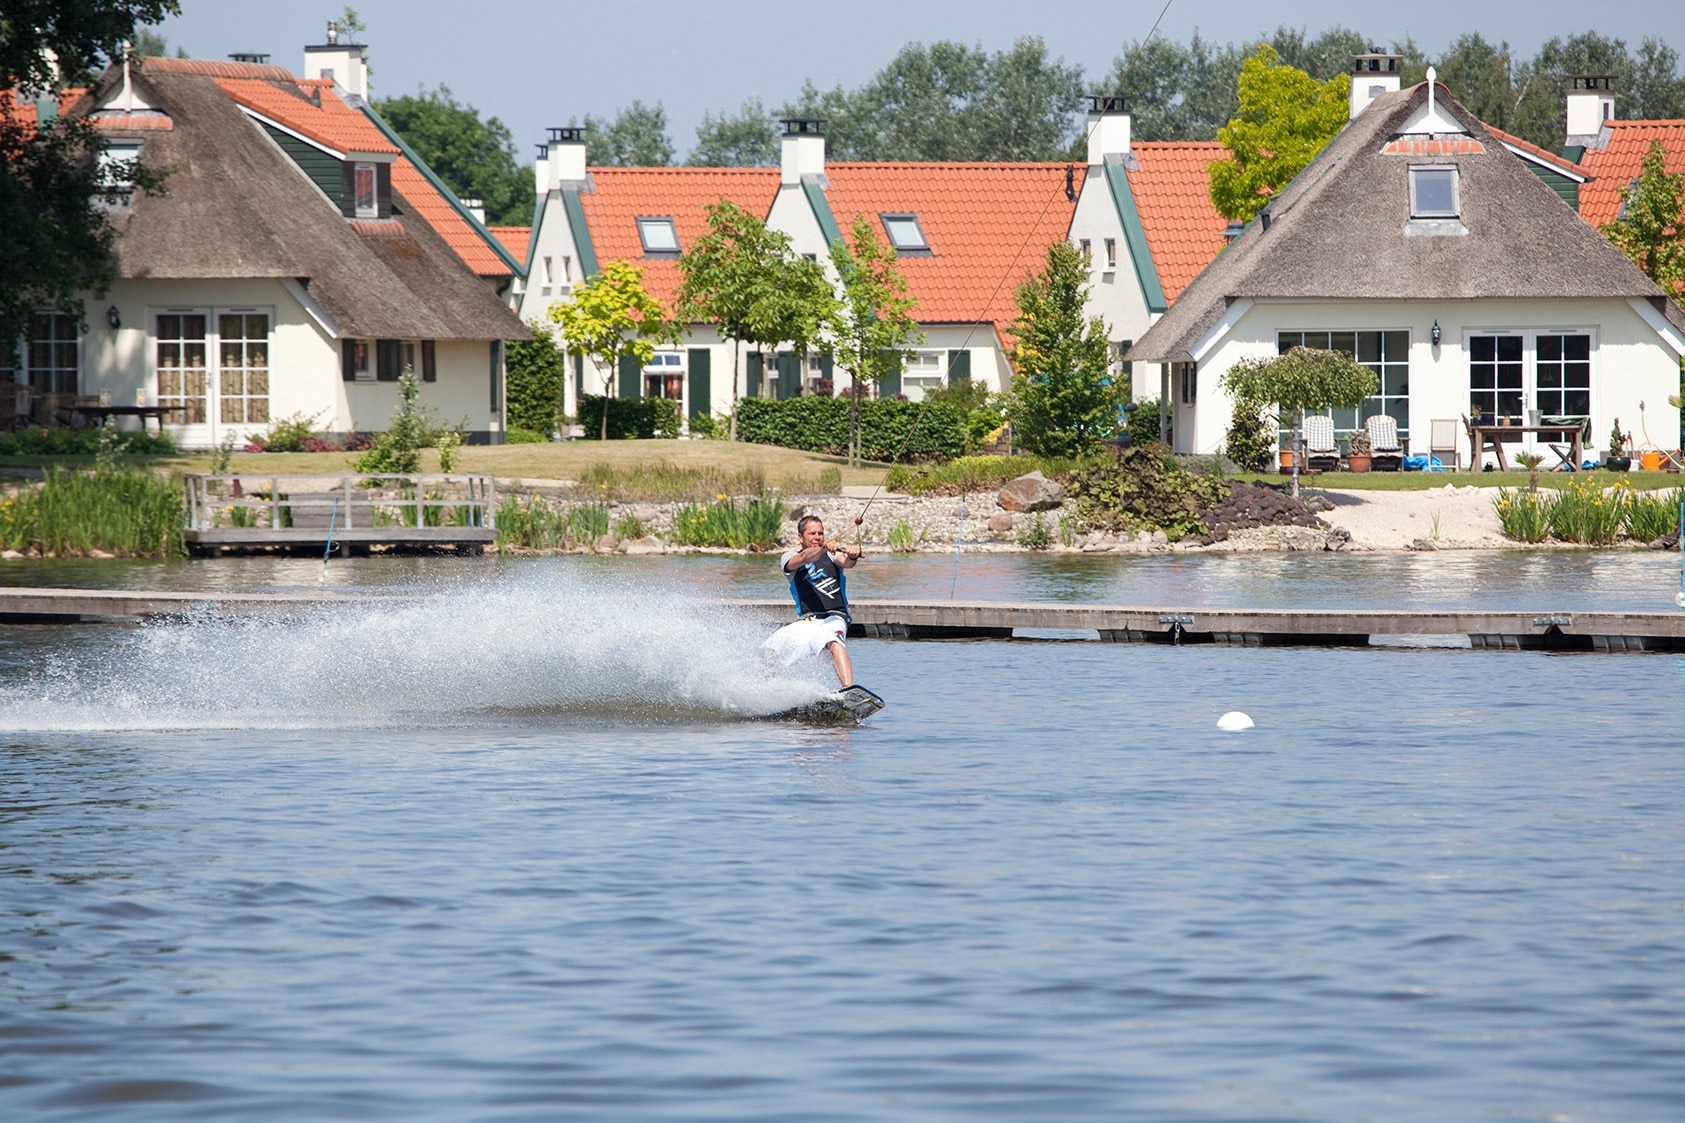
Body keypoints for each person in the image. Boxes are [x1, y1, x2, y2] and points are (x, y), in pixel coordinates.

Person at [762, 514, 861, 688]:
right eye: (812, 533)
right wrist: (823, 548)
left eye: (821, 534)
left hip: (834, 618)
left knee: (834, 643)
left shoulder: (832, 555)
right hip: (807, 622)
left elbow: (846, 562)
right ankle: (773, 687)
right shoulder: (789, 557)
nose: (817, 537)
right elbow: (805, 558)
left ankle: (848, 689)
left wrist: (852, 555)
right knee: (767, 649)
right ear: (800, 537)